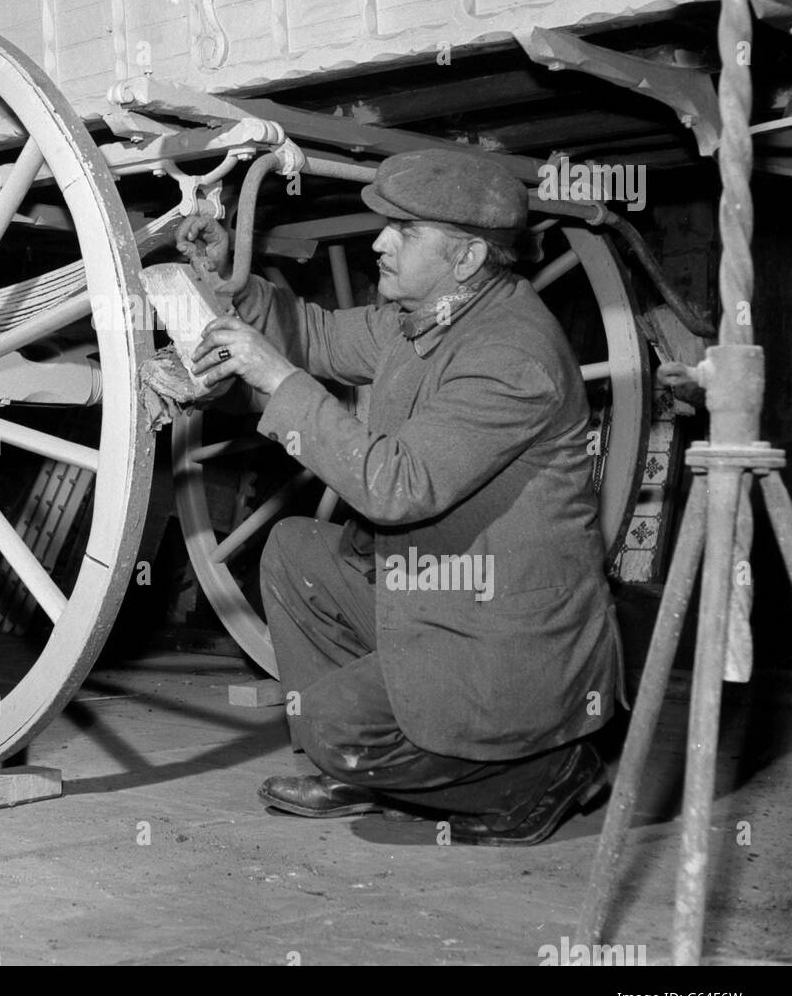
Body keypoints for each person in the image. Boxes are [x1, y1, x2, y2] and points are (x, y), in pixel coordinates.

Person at [183, 148, 621, 845]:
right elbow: (319, 336)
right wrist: (232, 290)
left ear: (469, 257)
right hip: (442, 589)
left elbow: (397, 487)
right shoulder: (433, 315)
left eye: (405, 232)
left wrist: (277, 380)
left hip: (504, 634)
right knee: (297, 548)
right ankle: (363, 772)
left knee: (335, 727)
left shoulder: (510, 356)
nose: (379, 242)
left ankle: (541, 776)